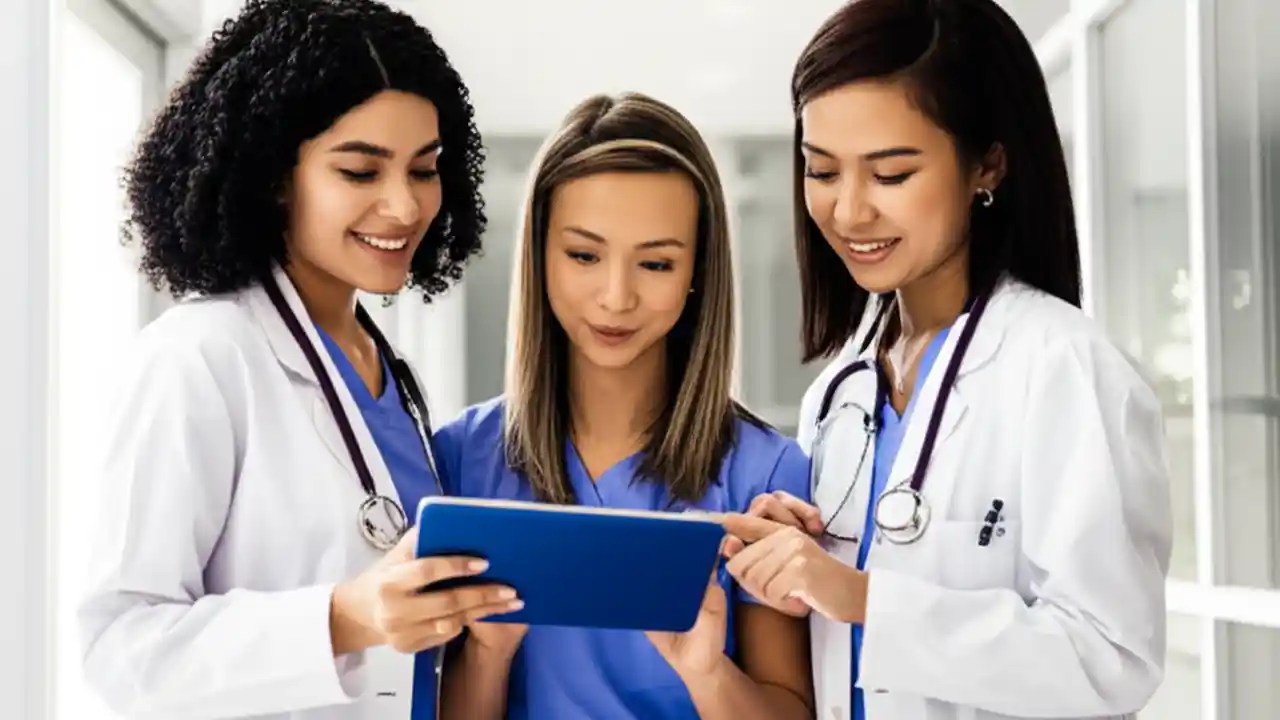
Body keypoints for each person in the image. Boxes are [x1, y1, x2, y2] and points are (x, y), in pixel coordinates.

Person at [720, 1, 1173, 719]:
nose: (848, 212)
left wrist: (860, 596)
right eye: (822, 171)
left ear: (987, 163)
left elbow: (1111, 661)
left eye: (890, 174)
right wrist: (794, 551)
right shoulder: (839, 395)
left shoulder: (1064, 368)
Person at [77, 2, 512, 718]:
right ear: (276, 174)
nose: (404, 206)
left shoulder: (384, 369)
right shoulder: (200, 357)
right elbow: (119, 648)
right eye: (360, 171)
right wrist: (345, 617)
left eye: (424, 170)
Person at [432, 92, 814, 720]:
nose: (616, 298)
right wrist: (488, 656)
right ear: (539, 257)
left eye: (656, 263)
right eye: (583, 255)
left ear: (698, 270)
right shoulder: (460, 460)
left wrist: (708, 674)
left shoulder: (764, 474)